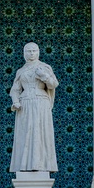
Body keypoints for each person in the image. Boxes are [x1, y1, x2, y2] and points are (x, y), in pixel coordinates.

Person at [9, 42, 59, 173]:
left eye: (34, 51)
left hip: (40, 103)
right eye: (28, 51)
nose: (31, 53)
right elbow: (15, 89)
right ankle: (24, 165)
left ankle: (41, 164)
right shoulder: (21, 71)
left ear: (38, 52)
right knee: (25, 134)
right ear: (24, 53)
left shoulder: (44, 67)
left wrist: (44, 75)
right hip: (25, 104)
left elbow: (53, 84)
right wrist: (15, 101)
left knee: (40, 133)